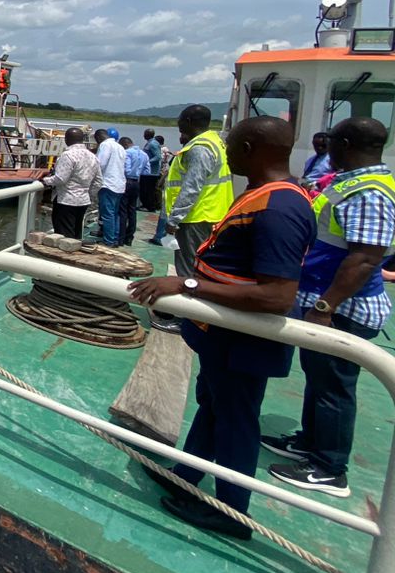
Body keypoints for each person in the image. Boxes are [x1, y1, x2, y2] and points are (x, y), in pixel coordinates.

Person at [129, 116, 316, 539]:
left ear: (251, 149)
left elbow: (277, 296)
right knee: (214, 406)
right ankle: (186, 476)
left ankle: (232, 511)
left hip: (243, 341)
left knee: (236, 418)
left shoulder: (279, 207)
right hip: (223, 336)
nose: (226, 155)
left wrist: (187, 283)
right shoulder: (262, 196)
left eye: (232, 146)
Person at [262, 117, 395, 498]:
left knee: (334, 387)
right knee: (319, 380)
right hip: (323, 300)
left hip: (342, 310)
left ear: (347, 143)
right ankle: (310, 441)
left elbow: (365, 259)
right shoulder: (349, 182)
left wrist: (324, 306)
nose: (326, 145)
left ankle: (328, 467)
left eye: (332, 140)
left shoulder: (370, 192)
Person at [161, 105, 233, 273]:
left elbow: (192, 187)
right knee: (202, 264)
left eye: (180, 120)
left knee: (189, 267)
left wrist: (174, 220)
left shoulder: (200, 149)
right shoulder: (216, 142)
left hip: (196, 217)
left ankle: (187, 296)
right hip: (213, 213)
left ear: (187, 121)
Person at [43, 128, 102, 238]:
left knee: (64, 235)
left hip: (66, 200)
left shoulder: (68, 155)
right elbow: (98, 181)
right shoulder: (93, 156)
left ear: (66, 139)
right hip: (83, 201)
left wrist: (46, 180)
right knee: (76, 233)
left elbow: (61, 179)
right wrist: (88, 194)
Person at [95, 128, 127, 247]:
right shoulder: (120, 147)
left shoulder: (105, 145)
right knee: (115, 213)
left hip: (108, 184)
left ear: (98, 138)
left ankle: (108, 241)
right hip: (119, 184)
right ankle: (115, 238)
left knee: (107, 214)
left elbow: (100, 163)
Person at [120, 136, 149, 246]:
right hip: (136, 182)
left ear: (124, 144)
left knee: (122, 211)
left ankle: (121, 238)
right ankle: (129, 237)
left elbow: (126, 169)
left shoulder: (127, 153)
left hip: (126, 181)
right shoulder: (144, 154)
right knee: (132, 211)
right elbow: (147, 170)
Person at [140, 128, 162, 212]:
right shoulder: (149, 143)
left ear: (149, 135)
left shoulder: (153, 144)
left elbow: (158, 157)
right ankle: (145, 204)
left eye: (145, 133)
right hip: (147, 172)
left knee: (149, 190)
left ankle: (150, 206)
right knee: (145, 189)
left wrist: (147, 162)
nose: (144, 135)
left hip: (151, 172)